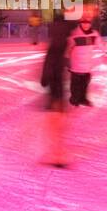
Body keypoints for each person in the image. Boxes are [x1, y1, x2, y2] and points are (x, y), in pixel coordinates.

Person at [40, 12, 74, 166]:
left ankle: (57, 154)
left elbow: (50, 63)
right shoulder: (65, 43)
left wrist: (45, 79)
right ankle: (57, 153)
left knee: (55, 121)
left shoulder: (55, 45)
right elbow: (65, 62)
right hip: (58, 87)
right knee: (57, 121)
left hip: (56, 88)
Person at [67, 9, 107, 106]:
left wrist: (104, 50)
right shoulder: (74, 34)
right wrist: (66, 59)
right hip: (76, 64)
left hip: (87, 65)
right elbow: (68, 47)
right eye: (83, 23)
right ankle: (74, 99)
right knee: (75, 84)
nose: (86, 25)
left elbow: (99, 43)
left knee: (85, 84)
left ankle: (83, 99)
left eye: (87, 23)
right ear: (80, 24)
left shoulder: (94, 34)